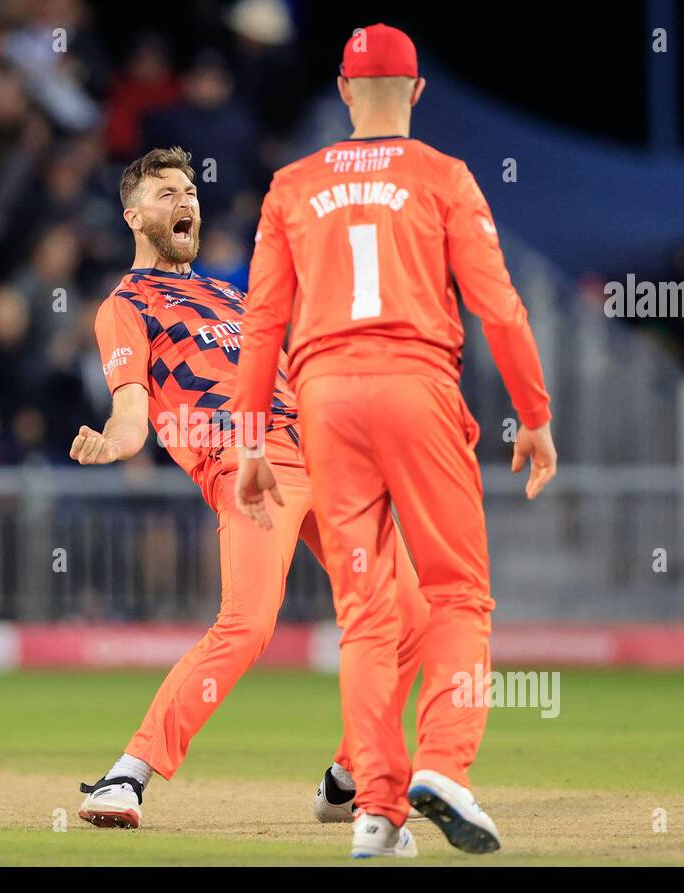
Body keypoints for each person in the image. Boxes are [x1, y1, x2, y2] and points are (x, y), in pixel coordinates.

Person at [234, 23, 558, 858]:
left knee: (366, 616)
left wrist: (248, 440)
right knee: (457, 595)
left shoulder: (290, 186)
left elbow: (261, 321)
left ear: (343, 93)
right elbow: (500, 308)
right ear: (417, 92)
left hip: (323, 402)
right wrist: (535, 414)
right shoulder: (444, 177)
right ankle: (444, 765)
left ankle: (377, 813)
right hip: (416, 389)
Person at [72, 147, 426, 857]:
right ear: (133, 214)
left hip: (328, 460)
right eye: (167, 192)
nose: (186, 201)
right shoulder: (125, 307)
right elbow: (134, 409)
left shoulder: (237, 297)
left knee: (414, 615)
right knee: (248, 625)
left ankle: (346, 777)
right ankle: (127, 775)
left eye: (192, 190)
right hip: (251, 466)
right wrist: (116, 441)